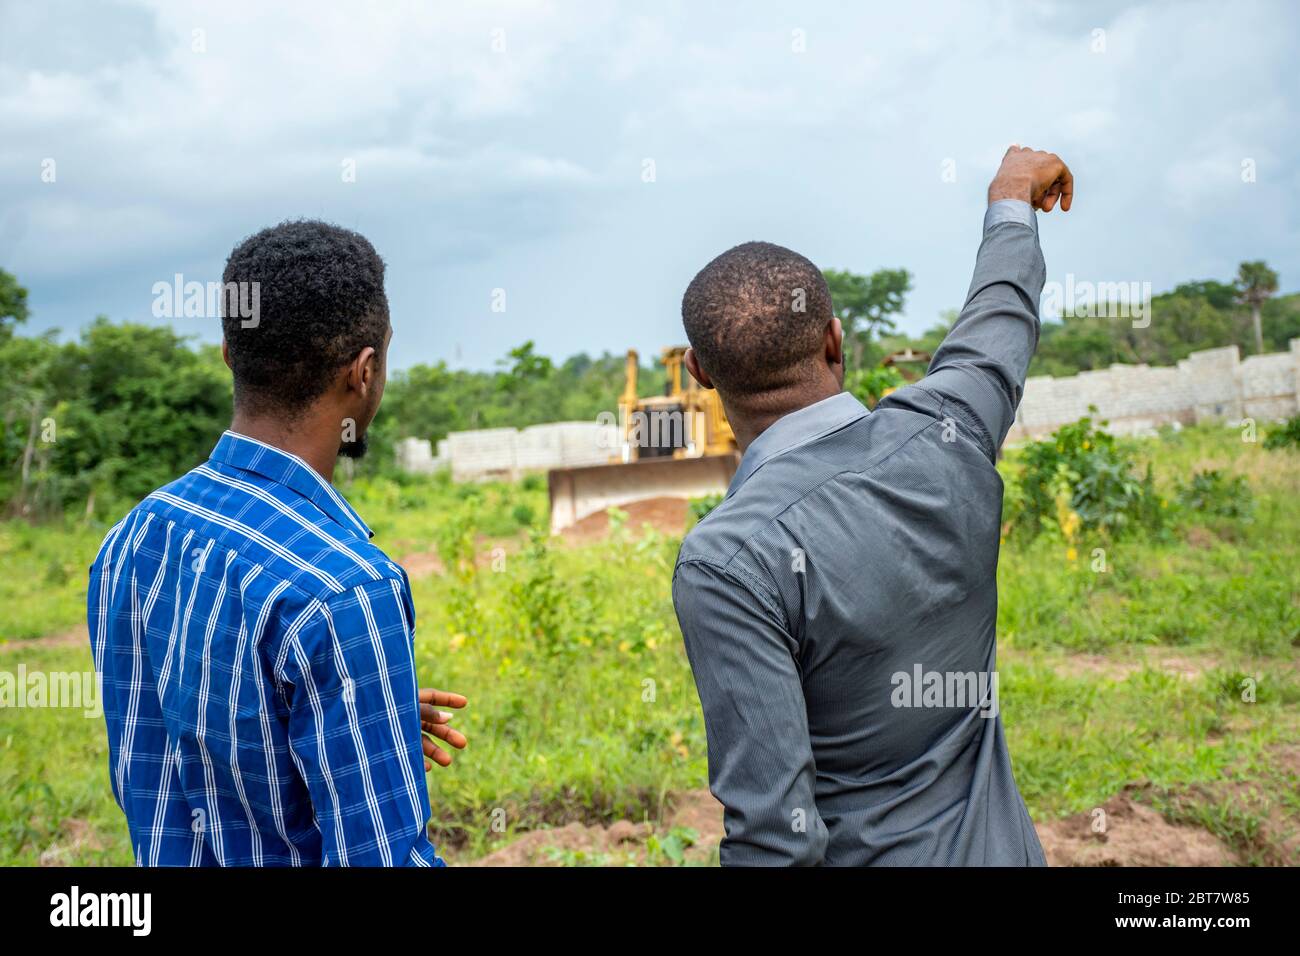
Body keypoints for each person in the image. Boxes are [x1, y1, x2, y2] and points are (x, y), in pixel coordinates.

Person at [673, 146, 1073, 865]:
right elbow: (999, 319)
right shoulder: (949, 433)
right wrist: (1010, 199)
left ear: (699, 371)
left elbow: (775, 840)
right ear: (834, 339)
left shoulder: (728, 562)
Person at [88, 219, 466, 866]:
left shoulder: (134, 538)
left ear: (231, 355)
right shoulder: (344, 592)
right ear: (364, 371)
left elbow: (187, 749)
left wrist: (355, 707)